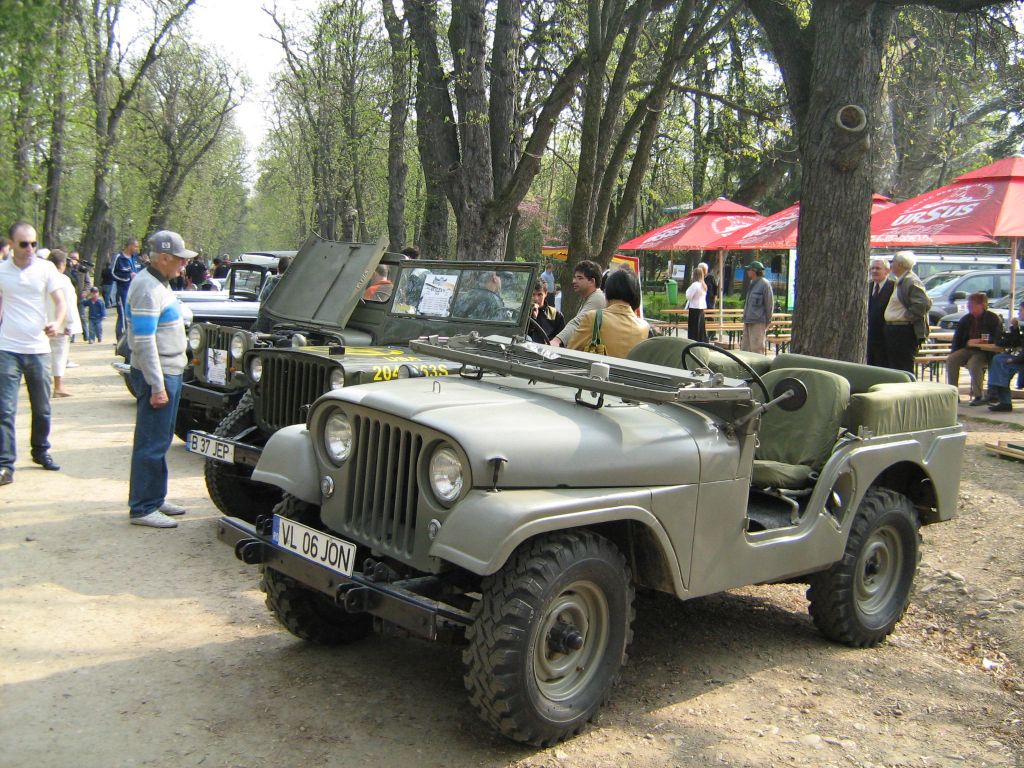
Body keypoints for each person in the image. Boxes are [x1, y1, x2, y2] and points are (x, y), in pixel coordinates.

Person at [126, 229, 197, 528]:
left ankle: (154, 498)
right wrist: (157, 385)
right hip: (160, 374)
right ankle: (143, 506)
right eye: (180, 260)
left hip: (169, 371)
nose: (184, 265)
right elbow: (143, 341)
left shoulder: (158, 284)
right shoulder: (147, 288)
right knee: (151, 441)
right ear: (164, 258)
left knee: (160, 439)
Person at [0, 222, 66, 484]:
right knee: (4, 409)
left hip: (38, 349)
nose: (30, 249)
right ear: (12, 244)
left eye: (33, 243)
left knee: (42, 407)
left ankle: (41, 451)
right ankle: (5, 465)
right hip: (7, 348)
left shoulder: (45, 268)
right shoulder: (2, 271)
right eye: (24, 244)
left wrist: (57, 322)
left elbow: (59, 301)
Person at [568, 268, 649, 358]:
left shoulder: (593, 317)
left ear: (607, 292)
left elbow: (571, 352)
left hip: (600, 371)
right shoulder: (644, 327)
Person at [946, 292, 1003, 405]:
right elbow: (957, 339)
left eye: (972, 304)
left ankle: (978, 396)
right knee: (952, 359)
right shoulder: (966, 319)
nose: (969, 306)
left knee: (974, 363)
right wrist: (967, 342)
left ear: (982, 305)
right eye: (969, 304)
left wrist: (983, 341)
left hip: (984, 351)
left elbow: (998, 337)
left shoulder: (992, 318)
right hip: (968, 348)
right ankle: (953, 394)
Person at [883, 250, 932, 374]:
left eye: (892, 262)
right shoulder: (901, 280)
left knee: (903, 366)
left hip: (904, 331)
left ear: (900, 264)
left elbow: (923, 303)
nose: (891, 265)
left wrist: (907, 316)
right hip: (894, 329)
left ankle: (907, 390)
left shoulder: (911, 280)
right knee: (895, 365)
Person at [47, 250, 83, 397]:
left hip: (41, 323)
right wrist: (70, 323)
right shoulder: (63, 280)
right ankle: (58, 386)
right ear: (62, 264)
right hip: (58, 323)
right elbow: (68, 302)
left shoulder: (41, 279)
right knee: (59, 355)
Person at [551, 260, 606, 347]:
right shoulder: (589, 297)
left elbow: (578, 323)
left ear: (592, 281)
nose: (574, 281)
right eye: (574, 277)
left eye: (580, 278)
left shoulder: (597, 298)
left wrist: (557, 340)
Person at [986, 300, 1023, 412]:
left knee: (1001, 362)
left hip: (1021, 359)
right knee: (998, 359)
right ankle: (999, 396)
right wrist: (1015, 328)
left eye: (1021, 310)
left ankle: (996, 393)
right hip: (1019, 357)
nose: (1019, 313)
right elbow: (1015, 342)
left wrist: (1014, 359)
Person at [866, 257, 895, 368]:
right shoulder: (867, 286)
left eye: (878, 268)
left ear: (887, 271)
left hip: (885, 338)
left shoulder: (893, 287)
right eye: (872, 268)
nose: (874, 271)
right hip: (869, 338)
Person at [112, 237, 141, 340]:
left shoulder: (135, 258)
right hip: (123, 291)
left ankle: (130, 337)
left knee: (132, 314)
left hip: (134, 291)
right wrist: (128, 276)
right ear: (130, 246)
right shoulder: (118, 257)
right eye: (136, 246)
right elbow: (112, 273)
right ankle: (121, 339)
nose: (137, 248)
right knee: (123, 314)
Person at [741, 260, 773, 353]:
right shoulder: (752, 283)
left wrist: (768, 320)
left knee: (757, 349)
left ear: (754, 271)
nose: (747, 271)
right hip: (748, 320)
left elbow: (769, 303)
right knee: (745, 349)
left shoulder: (765, 284)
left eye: (749, 269)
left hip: (758, 322)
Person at [527, 279, 565, 344]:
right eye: (533, 294)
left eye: (539, 295)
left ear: (546, 294)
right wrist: (532, 317)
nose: (536, 298)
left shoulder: (556, 315)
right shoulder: (521, 314)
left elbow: (562, 341)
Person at [685, 264, 708, 343]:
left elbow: (688, 296)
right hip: (701, 308)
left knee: (693, 328)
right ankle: (701, 341)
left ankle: (693, 342)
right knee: (700, 328)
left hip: (694, 308)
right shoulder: (703, 285)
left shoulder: (695, 285)